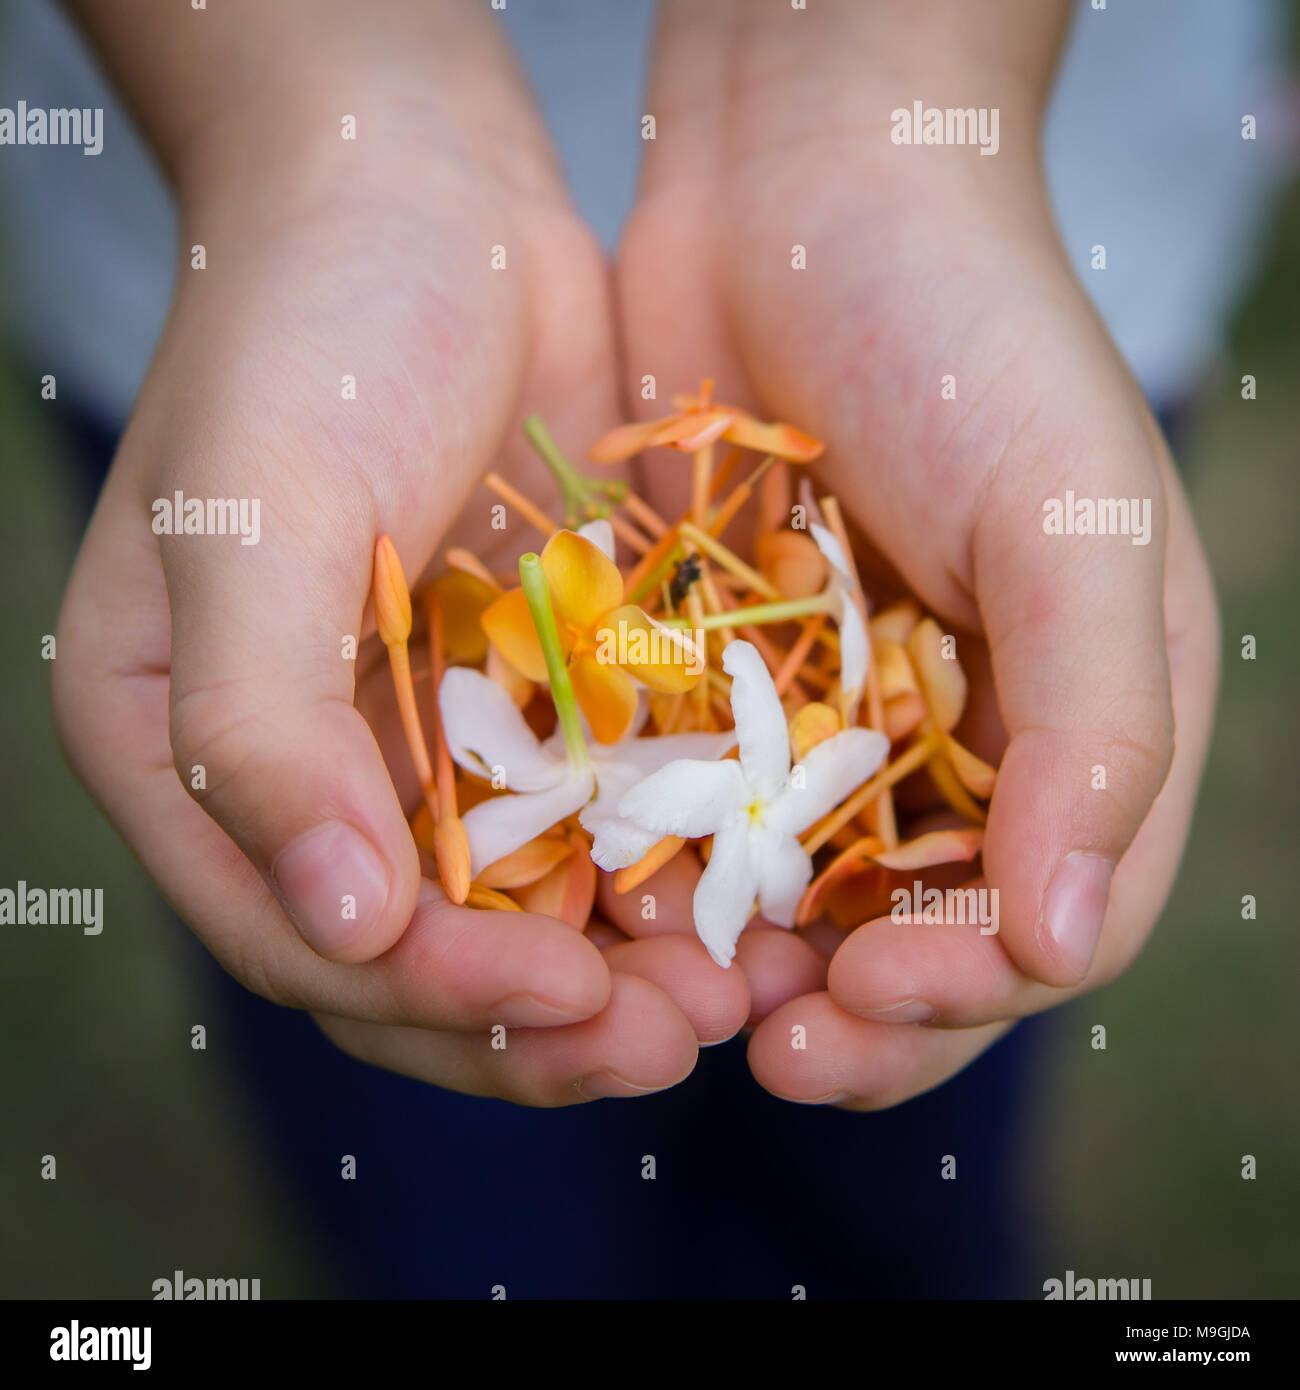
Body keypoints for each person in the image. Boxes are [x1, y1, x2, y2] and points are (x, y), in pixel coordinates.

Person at [15, 0, 1280, 1295]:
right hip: (243, 269)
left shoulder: (782, 688)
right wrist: (307, 137)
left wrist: (883, 89)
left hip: (1038, 188)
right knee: (443, 1170)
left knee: (898, 1129)